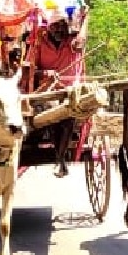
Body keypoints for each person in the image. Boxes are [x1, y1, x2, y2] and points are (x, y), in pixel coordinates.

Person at [32, 13, 85, 177]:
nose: (59, 30)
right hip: (46, 94)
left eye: (62, 26)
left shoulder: (71, 42)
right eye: (55, 26)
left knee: (69, 115)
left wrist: (86, 17)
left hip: (68, 93)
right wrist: (45, 73)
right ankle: (60, 160)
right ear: (48, 28)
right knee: (53, 114)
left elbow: (81, 42)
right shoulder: (39, 44)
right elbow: (31, 70)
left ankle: (60, 158)